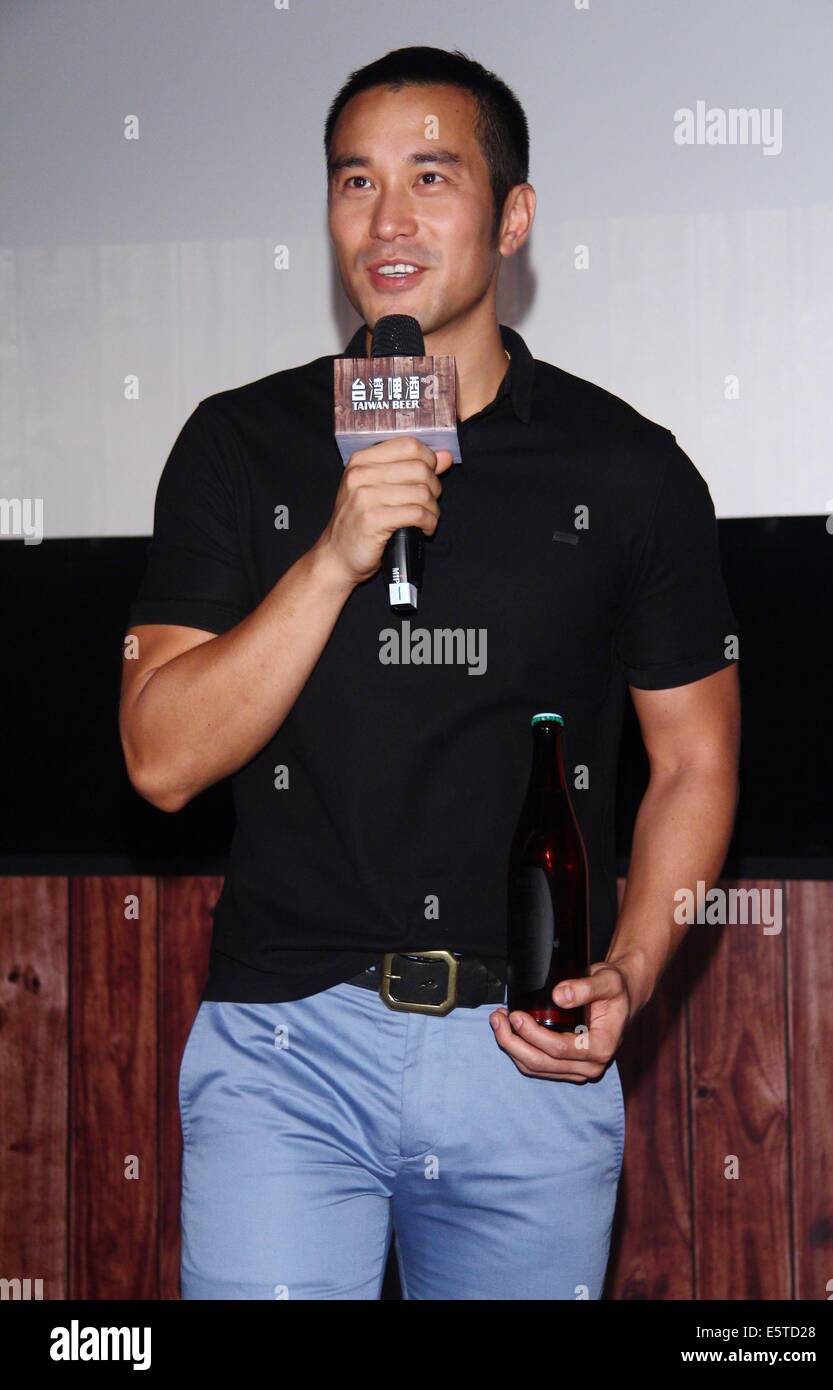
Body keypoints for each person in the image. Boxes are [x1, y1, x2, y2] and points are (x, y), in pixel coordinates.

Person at [119, 46, 740, 1301]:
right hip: (284, 1049)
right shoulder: (239, 444)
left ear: (512, 218)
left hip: (526, 1049)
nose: (386, 220)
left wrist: (626, 972)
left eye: (430, 176)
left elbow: (694, 758)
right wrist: (332, 557)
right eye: (355, 180)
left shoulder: (627, 468)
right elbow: (161, 759)